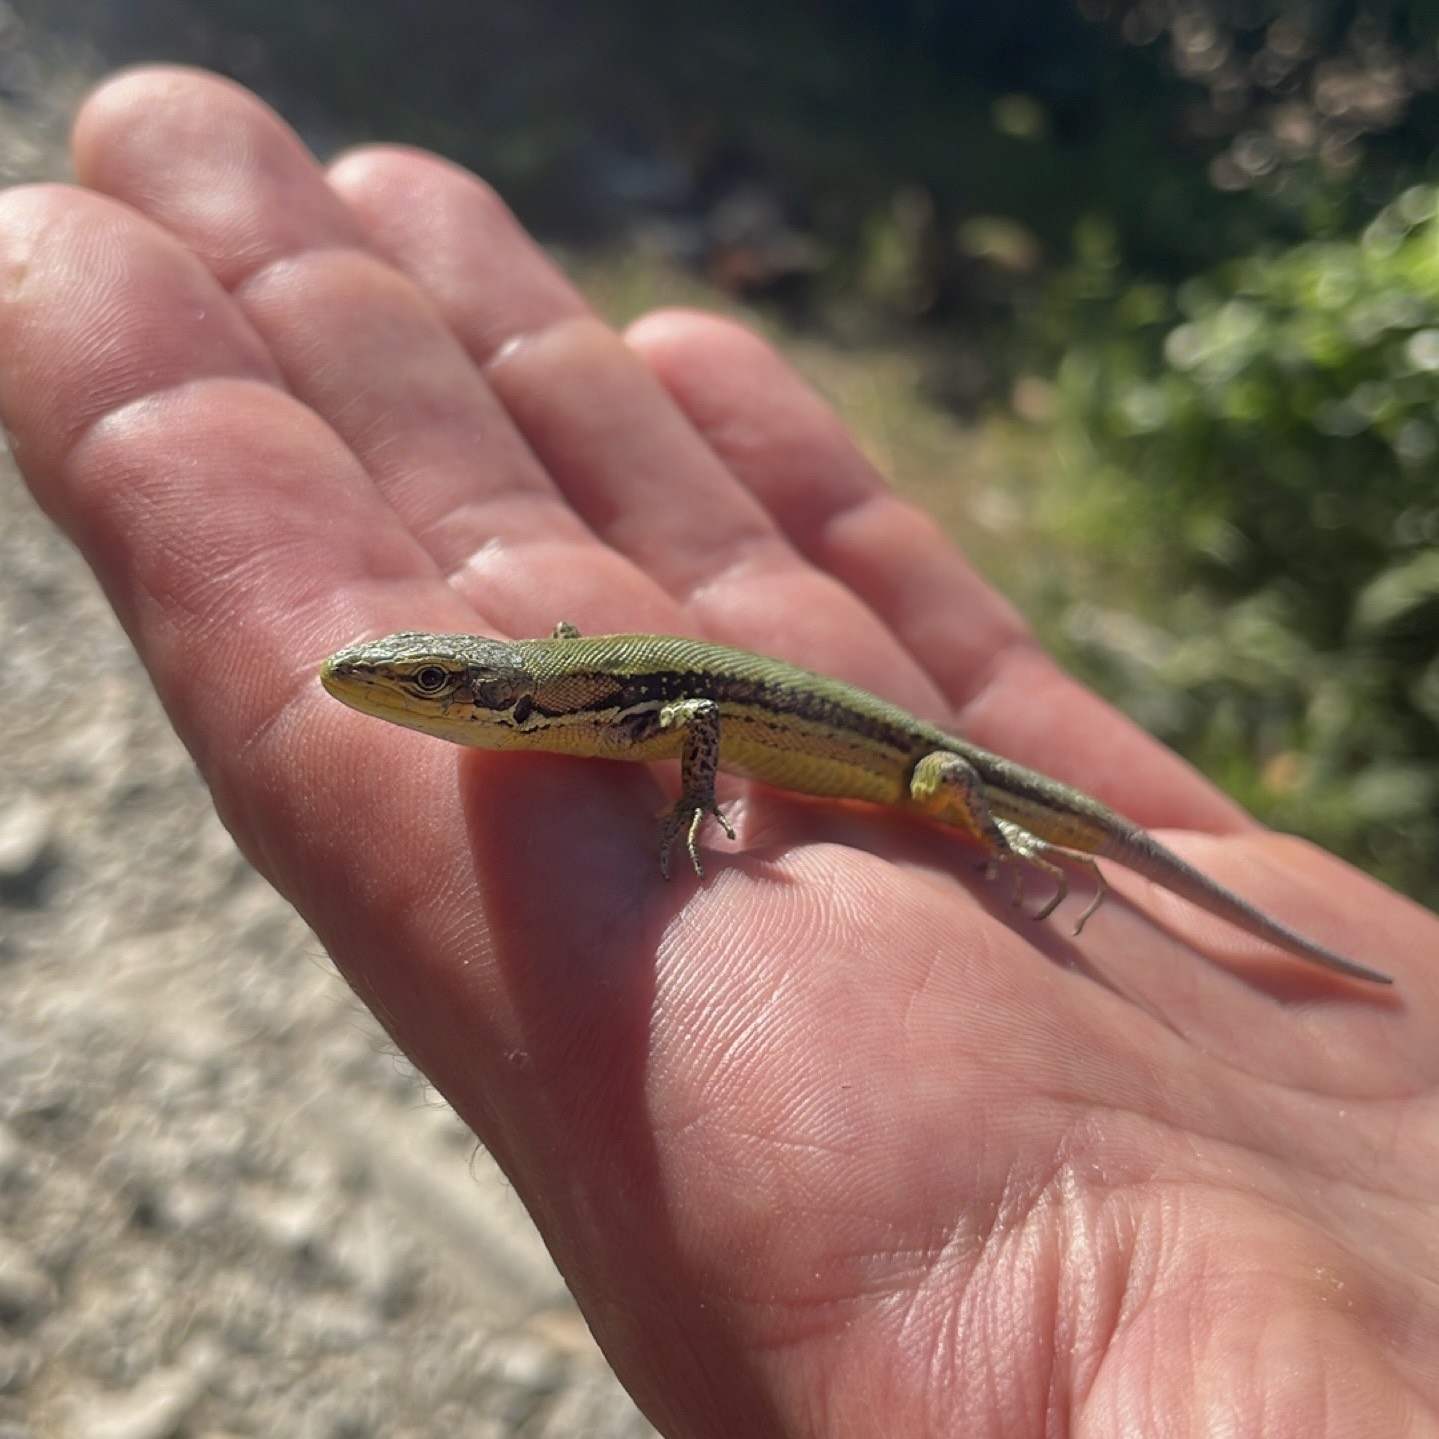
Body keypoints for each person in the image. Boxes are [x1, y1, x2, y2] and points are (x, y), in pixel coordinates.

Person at [1, 66, 1432, 1438]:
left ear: (488, 695)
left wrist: (709, 819)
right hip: (758, 713)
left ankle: (1023, 836)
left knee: (956, 796)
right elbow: (656, 704)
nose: (398, 693)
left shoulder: (606, 709)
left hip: (914, 762)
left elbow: (694, 722)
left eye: (429, 682)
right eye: (423, 684)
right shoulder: (554, 706)